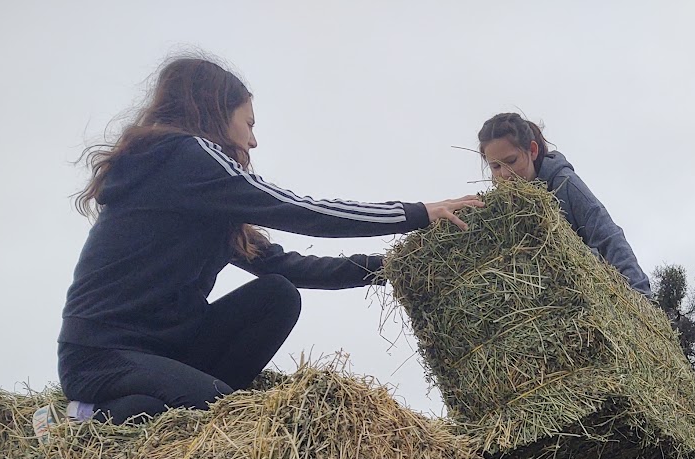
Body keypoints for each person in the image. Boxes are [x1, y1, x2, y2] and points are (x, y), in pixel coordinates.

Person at [57, 56, 482, 424]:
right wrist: (415, 214)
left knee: (277, 295)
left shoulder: (202, 194)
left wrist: (396, 267)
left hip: (166, 351)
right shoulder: (186, 158)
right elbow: (300, 210)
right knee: (220, 410)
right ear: (215, 112)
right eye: (249, 123)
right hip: (102, 354)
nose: (254, 140)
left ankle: (130, 408)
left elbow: (288, 267)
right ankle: (74, 421)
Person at [477, 112, 650, 295]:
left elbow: (608, 237)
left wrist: (640, 296)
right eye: (495, 167)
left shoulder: (564, 183)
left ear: (533, 151)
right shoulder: (500, 207)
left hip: (587, 295)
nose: (504, 174)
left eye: (511, 161)